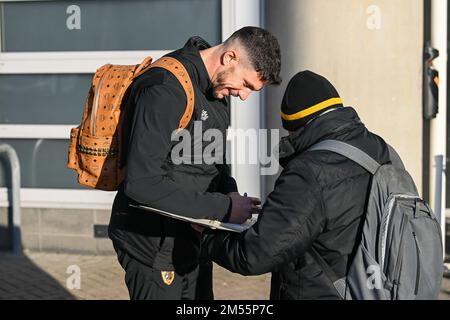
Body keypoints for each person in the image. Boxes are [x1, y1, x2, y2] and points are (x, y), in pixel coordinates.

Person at [108, 26, 282, 300]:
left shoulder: (216, 91)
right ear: (230, 58)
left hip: (193, 242)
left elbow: (213, 160)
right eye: (247, 85)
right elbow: (142, 183)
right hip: (152, 246)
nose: (245, 96)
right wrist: (224, 207)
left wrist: (230, 191)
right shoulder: (165, 87)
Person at [202, 70, 391, 300]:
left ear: (296, 127)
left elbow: (256, 254)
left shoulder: (308, 171)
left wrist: (205, 236)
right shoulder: (380, 151)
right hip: (377, 290)